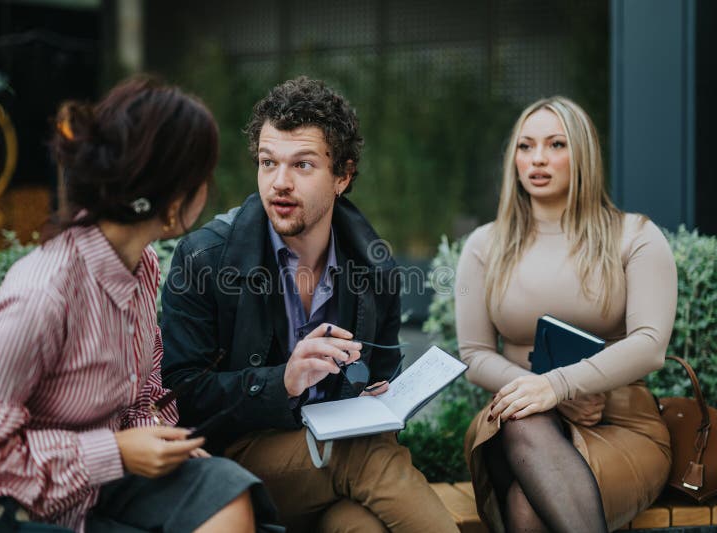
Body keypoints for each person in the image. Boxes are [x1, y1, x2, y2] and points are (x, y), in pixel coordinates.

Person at [0, 77, 278, 533]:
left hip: (101, 488)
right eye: (203, 177)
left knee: (227, 493)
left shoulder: (141, 266)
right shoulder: (42, 296)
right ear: (174, 202)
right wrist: (114, 452)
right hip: (13, 513)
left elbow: (143, 388)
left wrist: (157, 438)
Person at [160, 76, 459, 533]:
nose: (279, 183)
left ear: (343, 176)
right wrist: (283, 381)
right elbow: (179, 395)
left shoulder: (375, 266)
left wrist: (375, 395)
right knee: (360, 453)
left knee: (361, 527)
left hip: (323, 470)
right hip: (230, 467)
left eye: (302, 165)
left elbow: (380, 371)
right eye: (268, 163)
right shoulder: (204, 258)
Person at [455, 96, 677, 532]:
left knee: (528, 508)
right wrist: (542, 393)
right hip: (518, 420)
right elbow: (474, 355)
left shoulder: (636, 236)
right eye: (525, 146)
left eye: (556, 144)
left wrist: (559, 385)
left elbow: (650, 345)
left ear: (583, 155)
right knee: (523, 420)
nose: (537, 158)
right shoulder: (484, 245)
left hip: (619, 424)